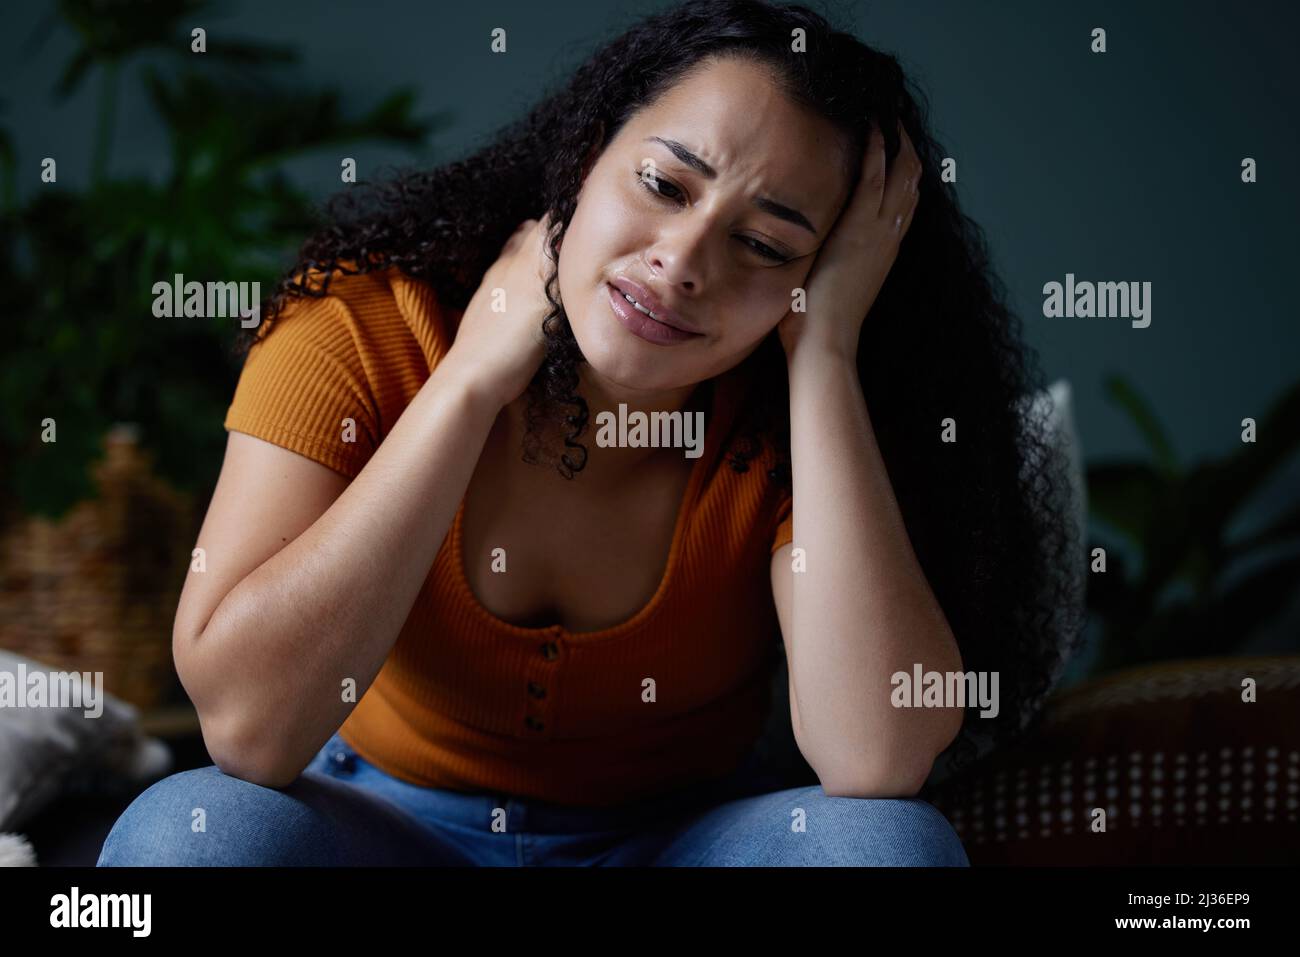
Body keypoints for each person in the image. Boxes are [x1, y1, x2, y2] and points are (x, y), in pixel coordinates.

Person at [98, 0, 1075, 867]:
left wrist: (823, 360)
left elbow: (877, 758)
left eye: (766, 244)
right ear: (586, 150)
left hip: (677, 838)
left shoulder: (799, 412)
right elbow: (248, 735)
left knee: (885, 850)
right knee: (186, 838)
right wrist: (471, 381)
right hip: (374, 823)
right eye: (662, 183)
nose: (683, 260)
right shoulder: (359, 327)